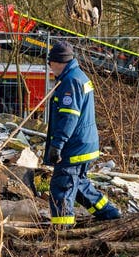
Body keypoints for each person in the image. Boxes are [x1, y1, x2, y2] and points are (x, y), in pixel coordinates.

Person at [44, 40, 120, 227]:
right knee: (79, 185)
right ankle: (109, 214)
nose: (50, 67)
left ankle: (63, 229)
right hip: (85, 144)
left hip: (74, 146)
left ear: (57, 62)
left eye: (50, 63)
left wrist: (57, 145)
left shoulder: (71, 82)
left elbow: (69, 118)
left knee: (61, 187)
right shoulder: (77, 76)